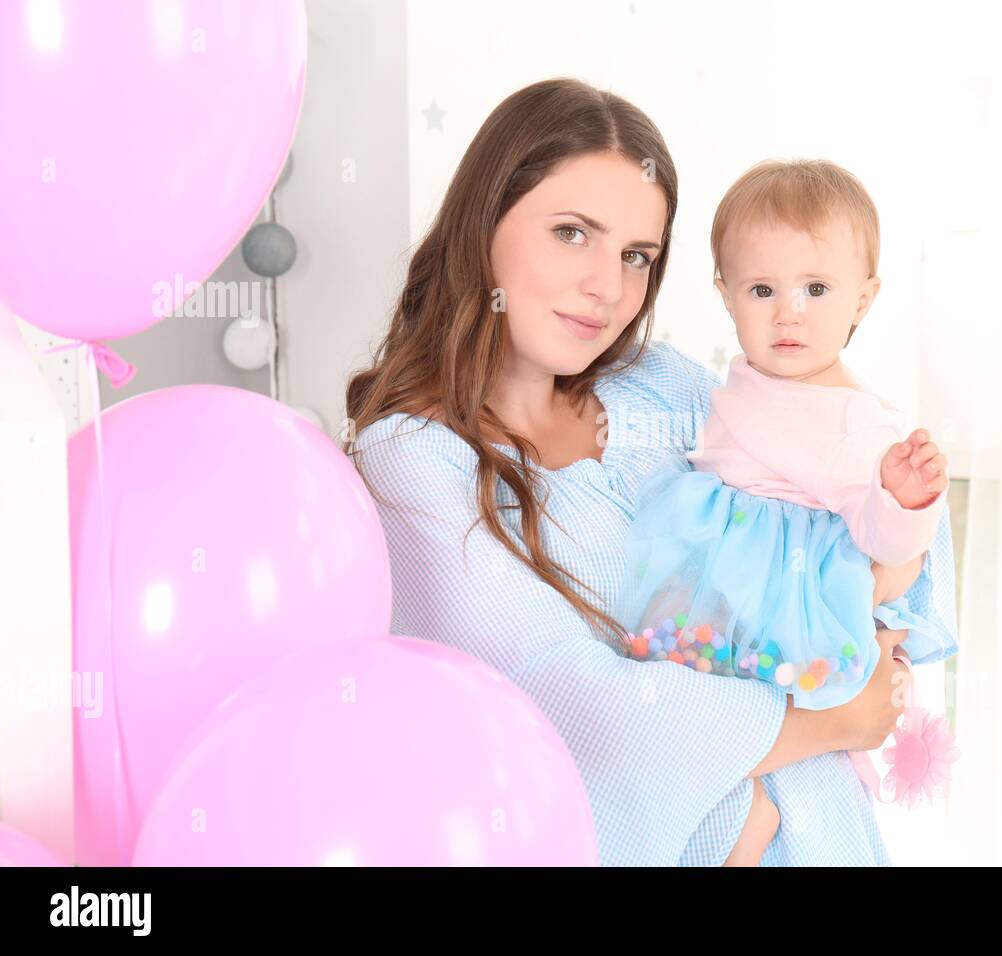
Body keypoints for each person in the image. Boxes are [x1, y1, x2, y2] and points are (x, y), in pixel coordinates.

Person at [345, 77, 958, 865]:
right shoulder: (416, 461)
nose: (608, 287)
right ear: (484, 224)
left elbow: (882, 488)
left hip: (834, 833)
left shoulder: (659, 387)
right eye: (573, 233)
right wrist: (829, 719)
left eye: (637, 255)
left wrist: (866, 610)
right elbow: (574, 702)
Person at [613, 158, 958, 715]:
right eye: (762, 290)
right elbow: (704, 441)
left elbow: (889, 549)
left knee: (775, 703)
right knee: (671, 688)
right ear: (728, 298)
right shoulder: (730, 381)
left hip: (792, 595)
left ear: (862, 300)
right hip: (712, 584)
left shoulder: (861, 424)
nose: (788, 313)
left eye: (816, 289)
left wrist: (902, 498)